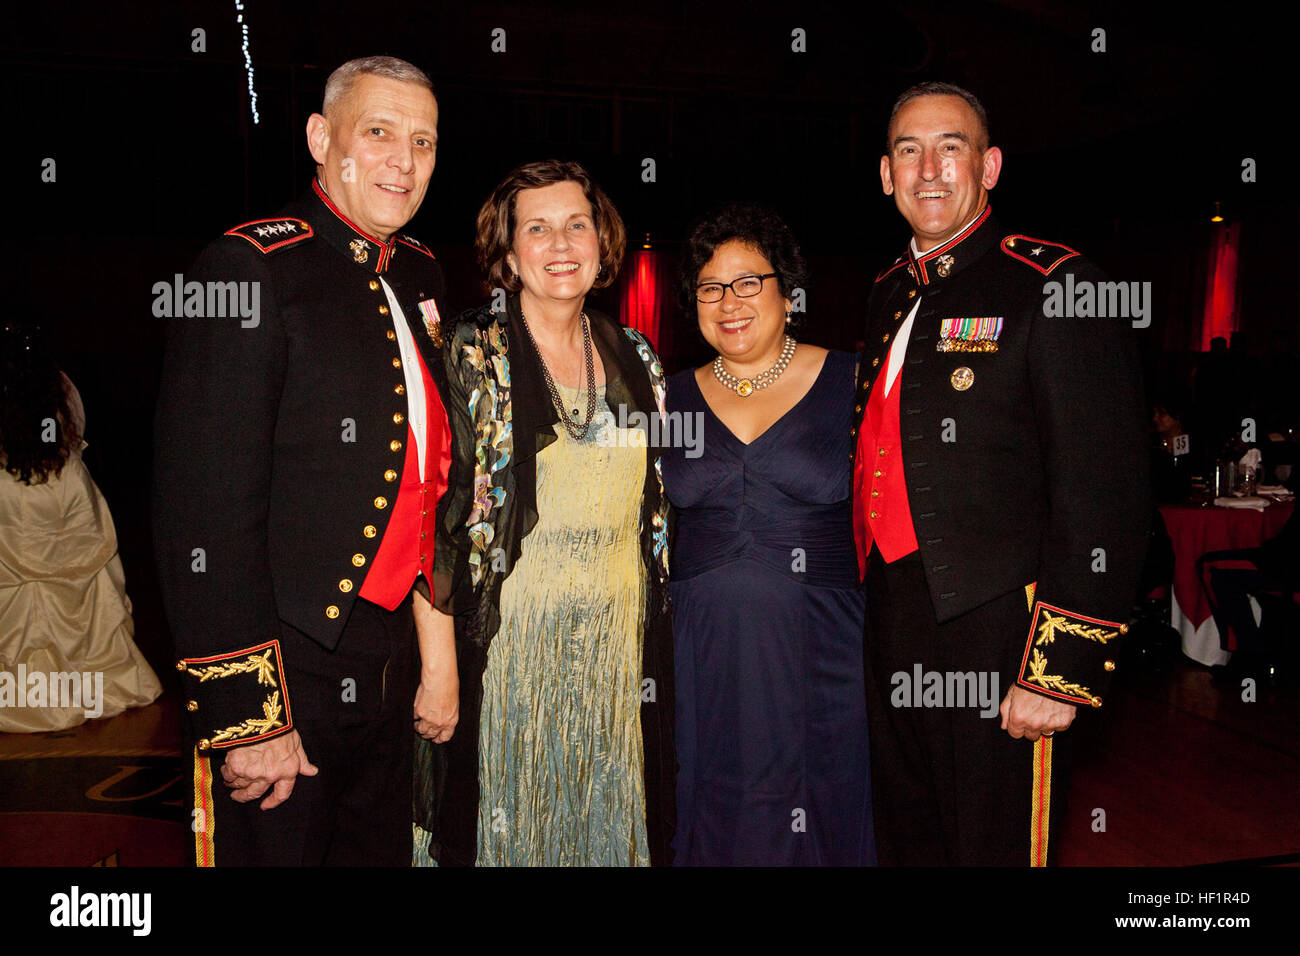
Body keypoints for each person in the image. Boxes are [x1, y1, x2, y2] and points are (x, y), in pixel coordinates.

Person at [153, 56, 455, 866]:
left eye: (423, 141)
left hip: (387, 667)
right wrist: (251, 719)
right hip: (288, 670)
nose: (403, 159)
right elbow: (202, 516)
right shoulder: (254, 267)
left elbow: (427, 484)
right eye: (380, 132)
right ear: (323, 139)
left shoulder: (421, 271)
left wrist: (434, 655)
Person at [855, 82, 1149, 866]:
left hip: (1000, 625)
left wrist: (1058, 670)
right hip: (894, 615)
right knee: (910, 836)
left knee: (993, 847)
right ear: (885, 175)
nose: (928, 169)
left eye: (949, 147)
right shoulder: (888, 292)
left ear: (988, 166)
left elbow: (1105, 493)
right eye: (907, 151)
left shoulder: (1053, 284)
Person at [415, 159, 675, 866]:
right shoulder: (472, 351)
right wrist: (439, 672)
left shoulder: (638, 357)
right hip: (508, 655)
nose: (560, 245)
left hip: (617, 656)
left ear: (603, 243)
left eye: (576, 225)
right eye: (537, 228)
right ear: (506, 252)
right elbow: (436, 517)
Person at [662, 203, 873, 865]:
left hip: (824, 652)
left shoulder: (854, 384)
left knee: (821, 808)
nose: (729, 301)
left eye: (749, 282)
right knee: (714, 803)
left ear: (790, 291)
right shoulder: (663, 398)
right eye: (710, 287)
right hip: (703, 653)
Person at [1, 320, 162, 732]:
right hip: (64, 490)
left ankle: (33, 695)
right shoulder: (60, 386)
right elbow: (76, 431)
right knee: (81, 589)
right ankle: (93, 685)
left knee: (29, 596)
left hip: (10, 497)